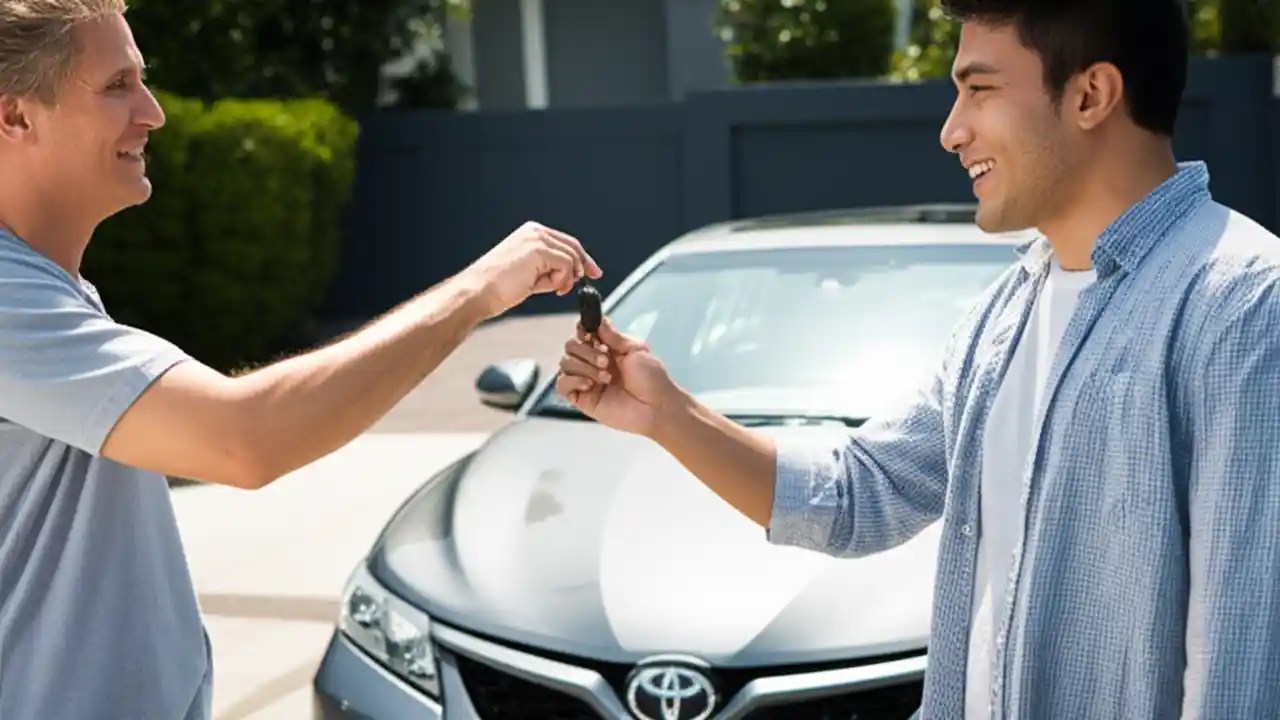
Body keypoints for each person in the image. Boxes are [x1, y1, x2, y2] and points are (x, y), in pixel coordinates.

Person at [558, 0, 1280, 718]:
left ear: (1091, 94)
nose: (951, 130)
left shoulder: (1244, 302)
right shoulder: (1004, 313)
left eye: (980, 88)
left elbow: (1238, 668)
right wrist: (668, 415)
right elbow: (856, 497)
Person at [0, 3, 601, 720]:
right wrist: (476, 292)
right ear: (15, 117)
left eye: (143, 80)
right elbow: (244, 438)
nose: (153, 112)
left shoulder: (49, 291)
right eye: (117, 85)